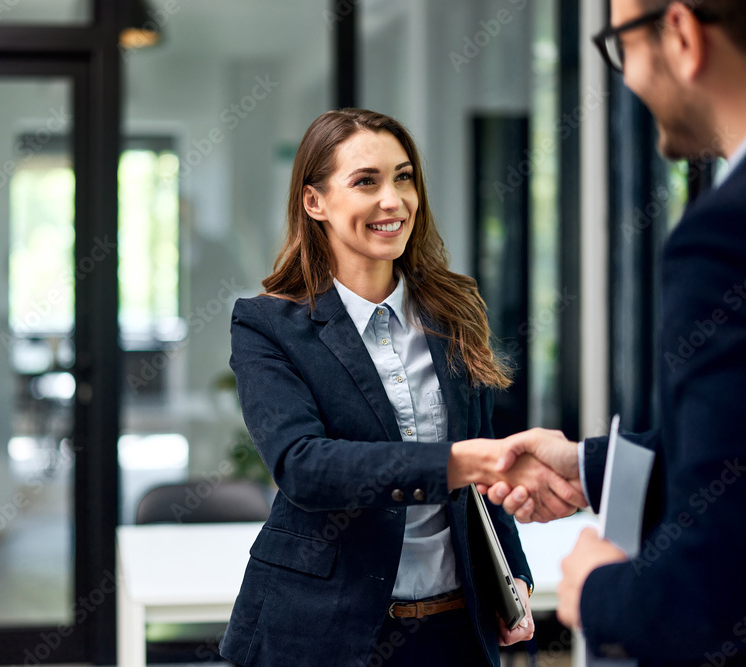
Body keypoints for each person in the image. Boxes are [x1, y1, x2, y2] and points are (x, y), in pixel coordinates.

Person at [218, 108, 585, 667]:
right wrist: (458, 462)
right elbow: (303, 466)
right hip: (322, 630)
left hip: (454, 627)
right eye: (366, 181)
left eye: (404, 177)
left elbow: (487, 477)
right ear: (314, 202)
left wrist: (513, 580)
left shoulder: (454, 308)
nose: (393, 200)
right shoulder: (267, 325)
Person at [482, 0, 746, 664]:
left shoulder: (728, 239)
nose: (627, 79)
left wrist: (598, 588)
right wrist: (593, 468)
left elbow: (716, 596)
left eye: (621, 47)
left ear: (680, 35)